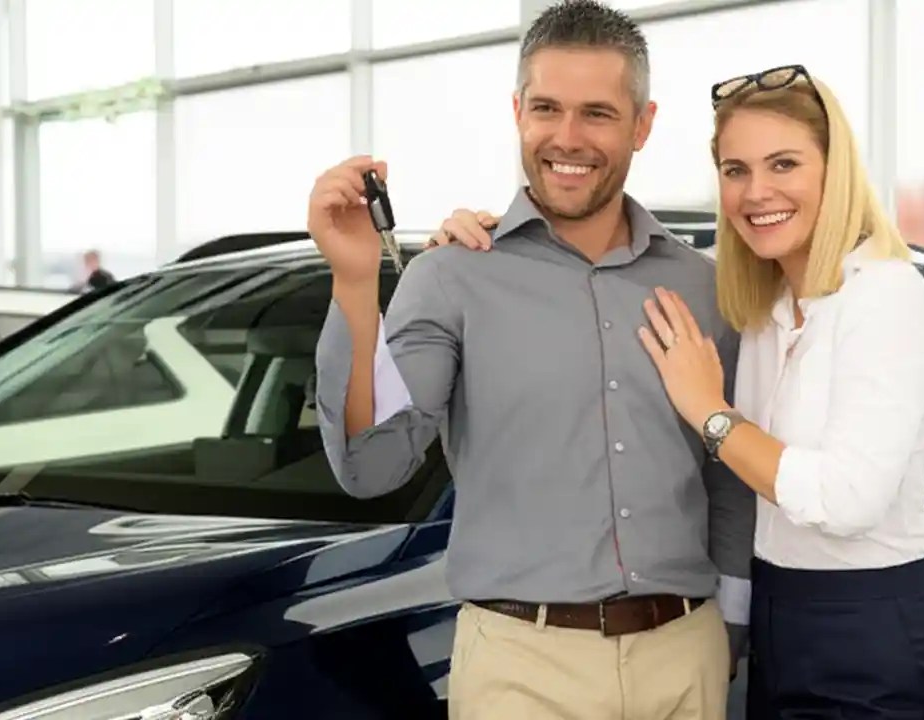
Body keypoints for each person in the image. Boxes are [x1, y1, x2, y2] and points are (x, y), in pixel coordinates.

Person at [431, 64, 924, 718]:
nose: (757, 192)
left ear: (837, 171)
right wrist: (488, 242)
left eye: (784, 164)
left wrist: (711, 413)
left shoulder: (884, 295)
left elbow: (846, 499)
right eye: (736, 170)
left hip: (873, 629)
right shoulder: (760, 309)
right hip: (779, 624)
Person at [305, 2, 754, 719]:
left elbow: (726, 478)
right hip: (522, 671)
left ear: (642, 125)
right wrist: (355, 284)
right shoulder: (452, 276)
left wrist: (729, 628)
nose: (567, 138)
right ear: (518, 111)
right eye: (546, 108)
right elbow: (370, 466)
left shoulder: (704, 288)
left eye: (597, 114)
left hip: (685, 657)